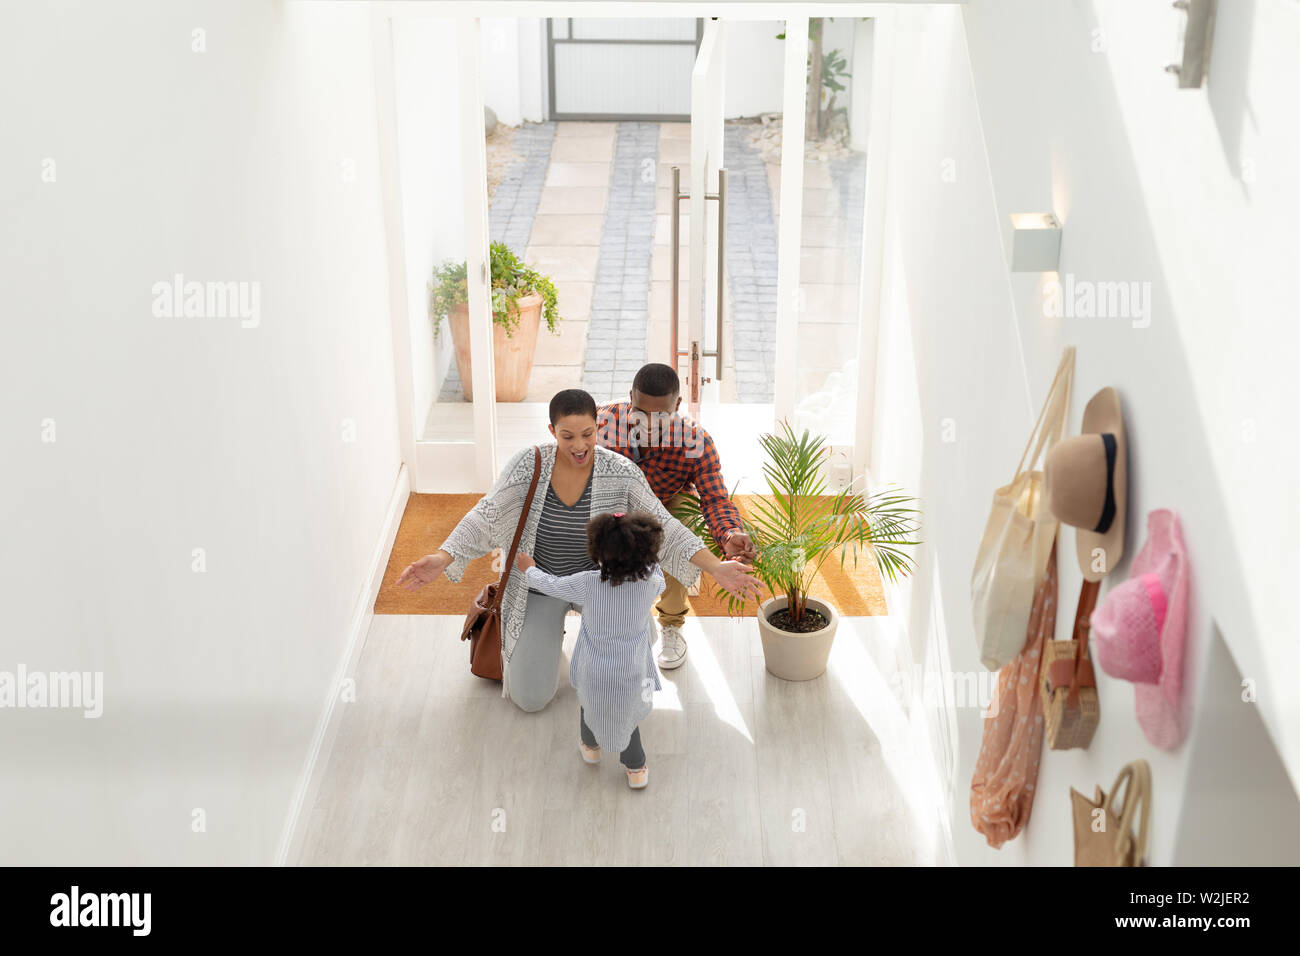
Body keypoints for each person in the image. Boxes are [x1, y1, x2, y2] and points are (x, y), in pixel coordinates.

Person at [395, 388, 762, 713]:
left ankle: (594, 635)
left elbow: (664, 527)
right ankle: (547, 636)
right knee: (531, 700)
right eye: (567, 436)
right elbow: (486, 515)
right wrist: (442, 557)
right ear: (552, 431)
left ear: (598, 428)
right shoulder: (529, 464)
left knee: (630, 662)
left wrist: (716, 567)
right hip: (539, 586)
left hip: (598, 585)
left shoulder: (620, 471)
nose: (579, 445)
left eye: (587, 434)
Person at [596, 363, 758, 670]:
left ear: (678, 406)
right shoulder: (599, 422)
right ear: (631, 397)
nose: (649, 424)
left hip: (665, 507)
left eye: (661, 416)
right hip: (611, 505)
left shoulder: (696, 441)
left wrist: (729, 533)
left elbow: (715, 499)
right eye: (641, 412)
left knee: (683, 517)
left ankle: (671, 623)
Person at [513, 511, 664, 789]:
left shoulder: (588, 583)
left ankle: (591, 748)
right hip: (632, 670)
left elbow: (551, 585)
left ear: (599, 554)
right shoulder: (651, 583)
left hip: (593, 670)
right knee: (628, 719)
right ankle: (636, 769)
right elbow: (659, 577)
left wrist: (529, 568)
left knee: (589, 708)